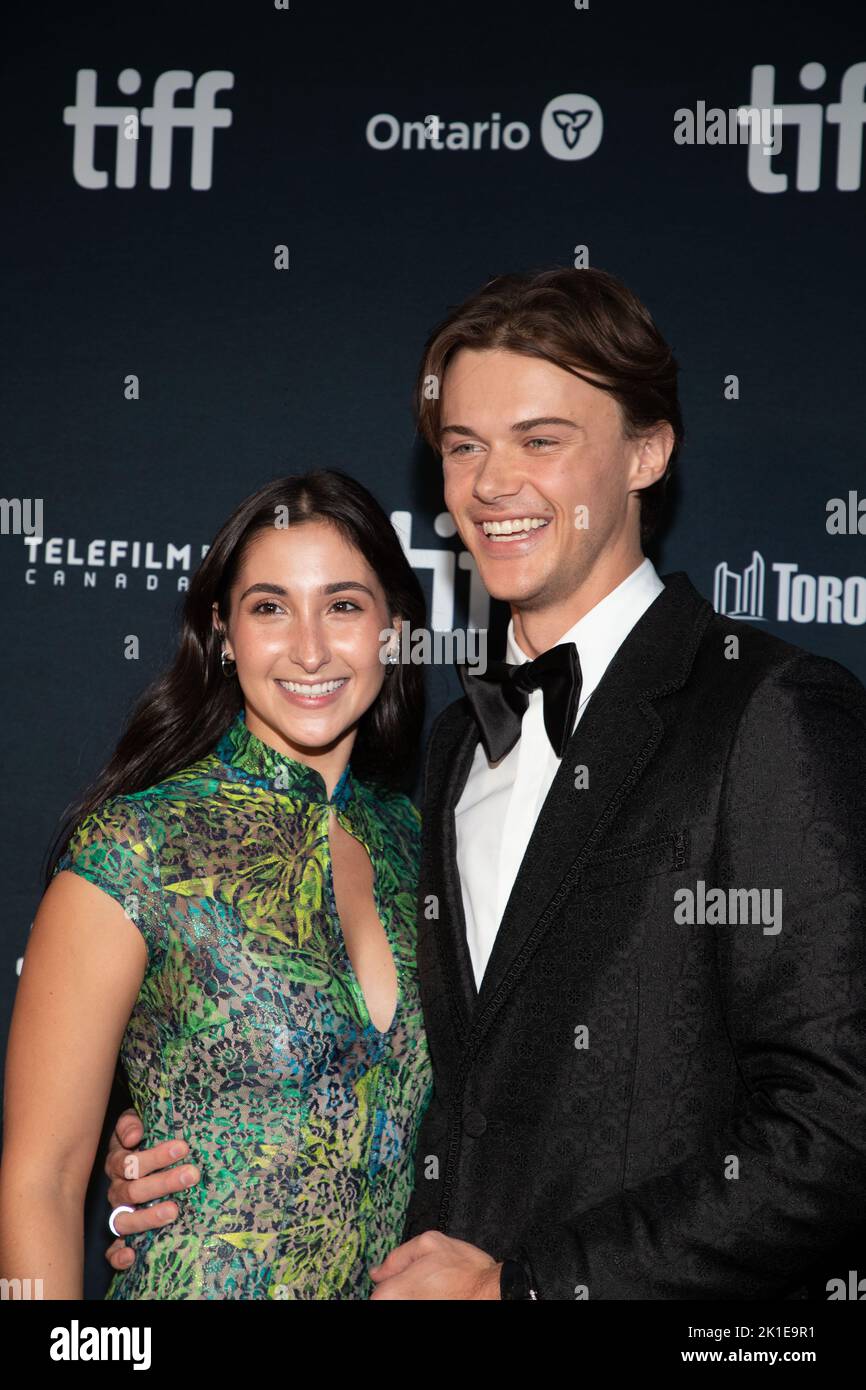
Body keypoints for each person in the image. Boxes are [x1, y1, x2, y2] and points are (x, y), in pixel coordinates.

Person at [97, 267, 866, 1301]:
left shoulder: (762, 710)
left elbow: (832, 1128)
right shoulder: (452, 748)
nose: (491, 483)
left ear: (646, 451)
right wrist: (212, 1148)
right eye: (463, 446)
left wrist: (526, 1287)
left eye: (540, 441)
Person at [0, 470, 432, 1300]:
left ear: (395, 630)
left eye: (343, 605)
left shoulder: (421, 846)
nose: (309, 648)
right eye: (270, 607)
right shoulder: (139, 846)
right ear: (224, 635)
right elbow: (44, 1182)